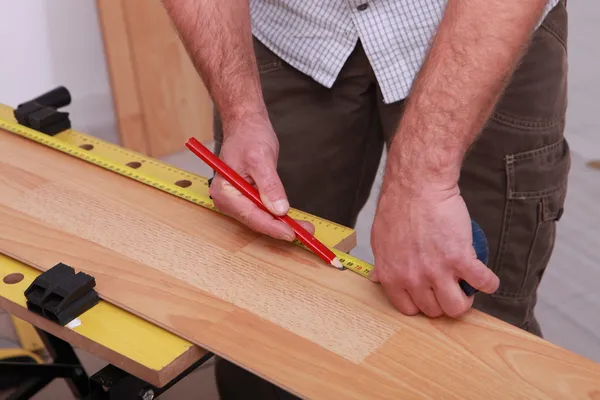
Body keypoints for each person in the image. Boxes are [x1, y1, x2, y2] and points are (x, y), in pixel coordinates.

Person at [162, 0, 569, 398]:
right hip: (288, 30)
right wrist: (242, 114)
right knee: (259, 305)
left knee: (474, 339)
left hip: (477, 28)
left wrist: (423, 178)